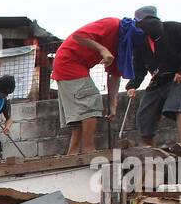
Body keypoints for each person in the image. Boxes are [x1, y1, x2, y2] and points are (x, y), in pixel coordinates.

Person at [51, 14, 148, 154]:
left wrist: (113, 105)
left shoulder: (122, 46)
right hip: (69, 62)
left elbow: (114, 75)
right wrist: (102, 49)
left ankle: (72, 154)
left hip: (72, 66)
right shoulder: (113, 24)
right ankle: (88, 149)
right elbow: (79, 36)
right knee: (91, 101)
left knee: (79, 117)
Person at [124, 7, 181, 146]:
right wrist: (133, 85)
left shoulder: (175, 29)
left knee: (177, 104)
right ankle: (149, 149)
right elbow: (139, 68)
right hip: (158, 80)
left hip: (179, 77)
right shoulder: (141, 42)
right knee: (145, 115)